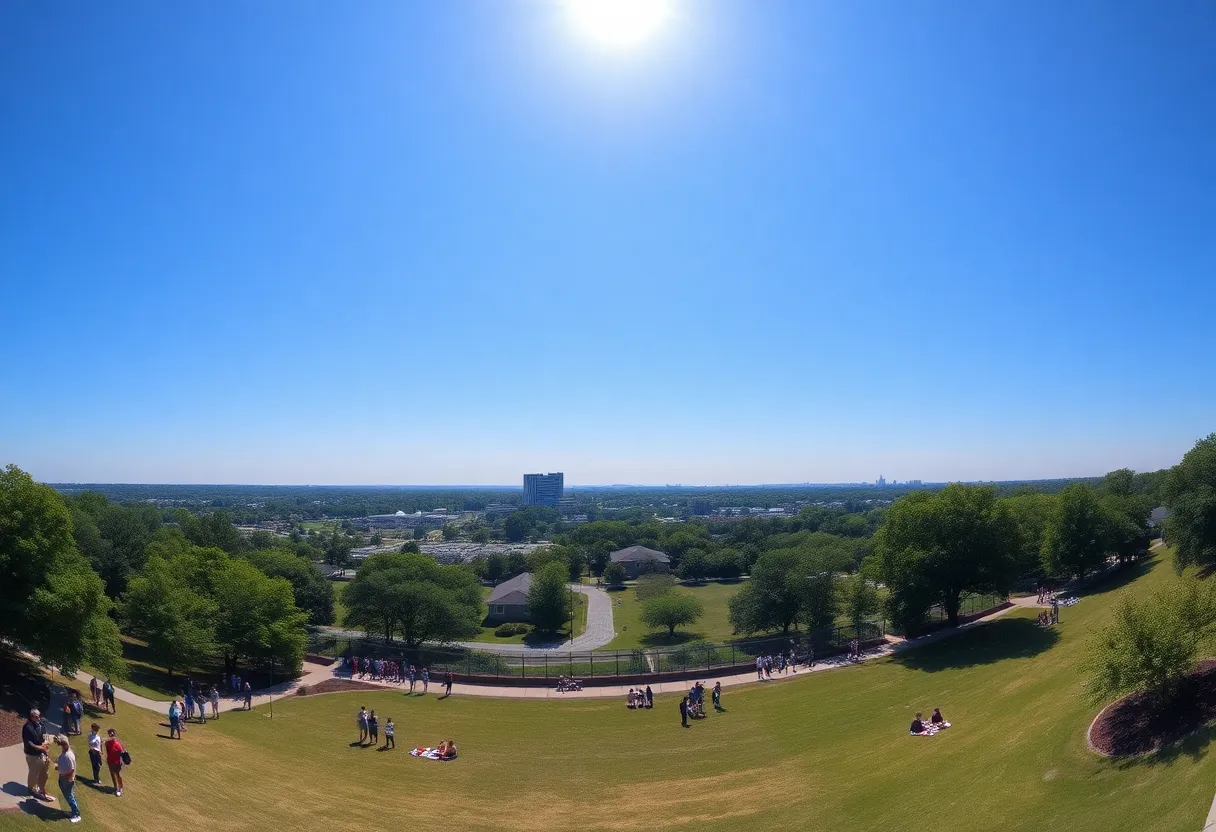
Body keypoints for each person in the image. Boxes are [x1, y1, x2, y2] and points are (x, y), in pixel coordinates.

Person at [23, 709, 54, 802]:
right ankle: (31, 789)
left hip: (42, 753)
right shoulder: (27, 727)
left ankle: (41, 789)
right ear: (32, 716)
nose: (39, 718)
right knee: (34, 773)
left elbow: (44, 737)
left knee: (44, 772)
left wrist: (45, 743)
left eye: (39, 716)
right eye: (37, 717)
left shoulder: (40, 725)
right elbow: (29, 743)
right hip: (32, 754)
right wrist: (40, 747)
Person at [53, 734, 82, 823]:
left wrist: (65, 775)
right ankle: (74, 811)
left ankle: (76, 814)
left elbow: (72, 769)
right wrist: (59, 767)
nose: (59, 746)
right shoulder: (65, 753)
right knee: (68, 796)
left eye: (60, 745)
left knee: (69, 796)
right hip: (63, 778)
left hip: (67, 779)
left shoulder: (68, 755)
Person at [103, 728, 125, 796]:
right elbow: (107, 751)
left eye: (112, 734)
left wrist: (122, 763)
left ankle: (120, 788)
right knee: (112, 774)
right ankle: (115, 787)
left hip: (117, 762)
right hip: (110, 761)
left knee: (118, 775)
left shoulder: (118, 744)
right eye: (110, 734)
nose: (111, 735)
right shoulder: (107, 743)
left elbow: (122, 754)